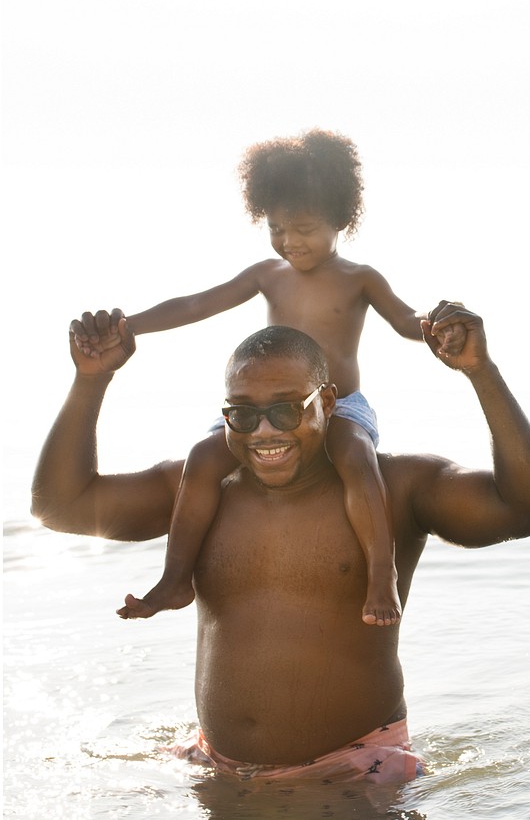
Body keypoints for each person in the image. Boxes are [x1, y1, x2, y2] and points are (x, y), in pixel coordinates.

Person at [32, 302, 530, 786]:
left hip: (355, 773)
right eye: (242, 414)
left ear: (326, 402)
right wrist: (91, 381)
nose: (264, 432)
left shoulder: (396, 487)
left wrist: (480, 372)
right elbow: (59, 507)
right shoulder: (198, 490)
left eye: (286, 410)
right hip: (218, 773)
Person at [71, 129, 464, 628]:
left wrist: (436, 324)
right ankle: (175, 578)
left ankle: (381, 575)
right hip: (265, 408)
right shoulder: (267, 274)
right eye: (276, 228)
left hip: (341, 405)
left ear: (341, 219)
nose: (288, 241)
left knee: (357, 459)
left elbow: (407, 321)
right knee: (202, 456)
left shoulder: (360, 278)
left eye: (304, 228)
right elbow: (196, 304)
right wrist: (129, 326)